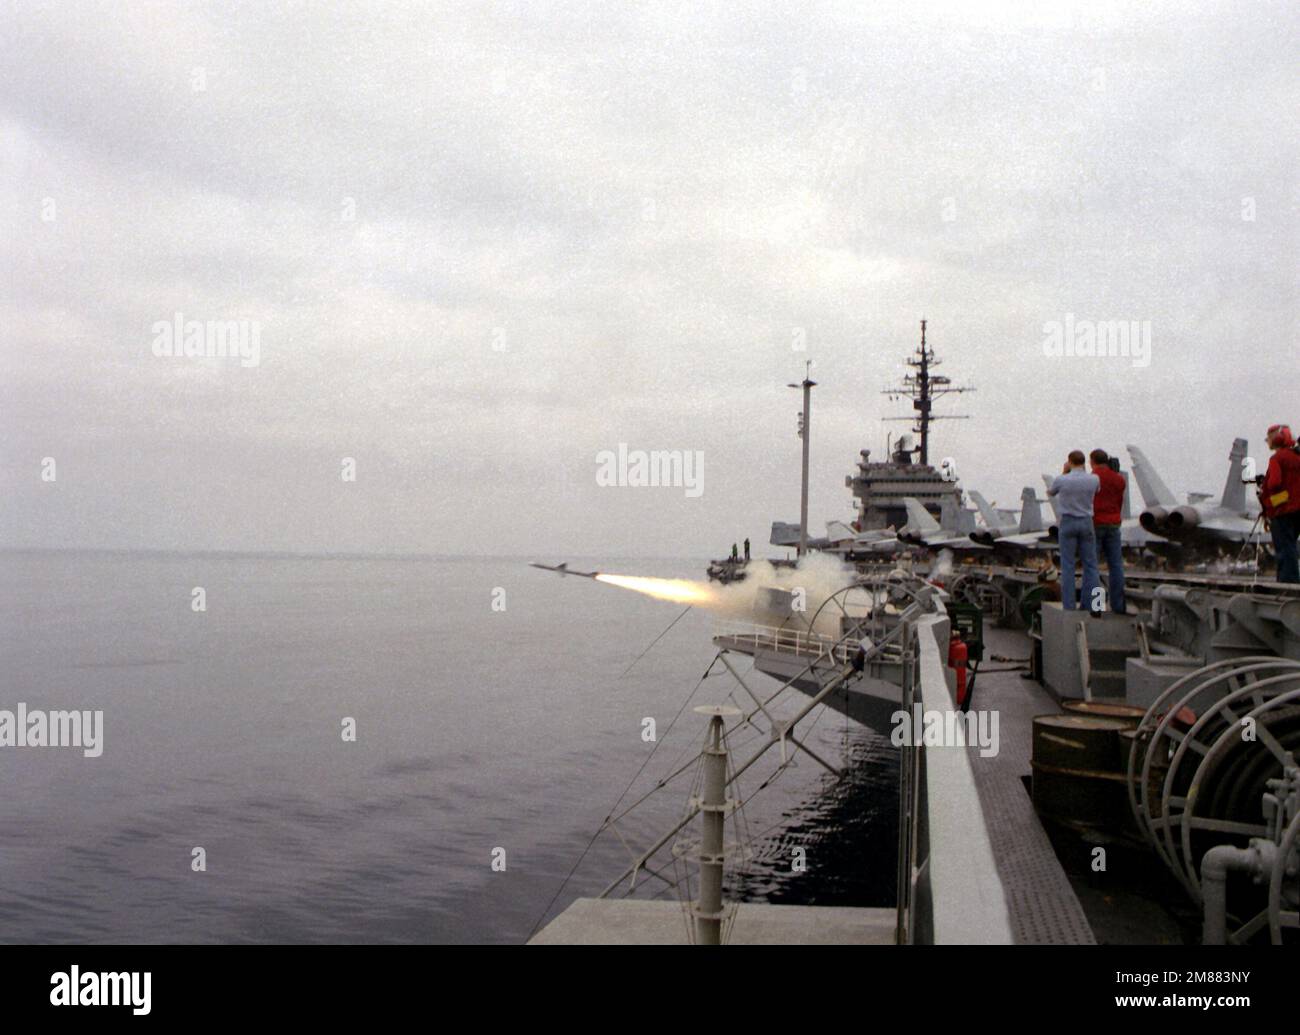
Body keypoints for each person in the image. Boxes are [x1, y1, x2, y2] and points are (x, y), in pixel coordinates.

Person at [1047, 450, 1101, 612]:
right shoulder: (1094, 479)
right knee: (1091, 566)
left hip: (1068, 522)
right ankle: (1095, 605)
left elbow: (1051, 492)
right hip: (1086, 522)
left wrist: (1064, 472)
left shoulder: (1062, 479)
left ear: (1069, 462)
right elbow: (1097, 491)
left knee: (1068, 566)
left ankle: (1069, 607)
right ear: (1084, 462)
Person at [1261, 424, 1300, 583]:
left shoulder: (1277, 458)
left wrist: (1268, 501)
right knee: (1291, 546)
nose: (1268, 442)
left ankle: (1287, 585)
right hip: (1297, 511)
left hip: (1283, 511)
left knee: (1284, 549)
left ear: (1277, 438)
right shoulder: (1297, 457)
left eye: (1269, 438)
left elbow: (1275, 483)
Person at [1090, 449, 1127, 614]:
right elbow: (1119, 501)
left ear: (1092, 461)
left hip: (1095, 524)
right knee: (1116, 566)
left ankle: (1096, 606)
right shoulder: (1119, 480)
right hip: (1113, 524)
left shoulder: (1092, 479)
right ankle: (1118, 606)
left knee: (1093, 567)